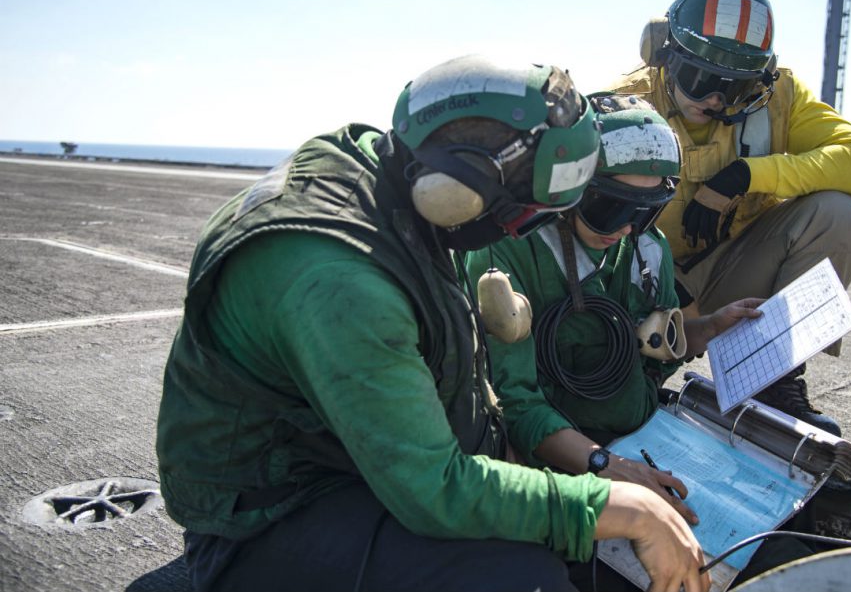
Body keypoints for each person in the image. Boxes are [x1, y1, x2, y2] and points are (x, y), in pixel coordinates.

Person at [155, 55, 710, 592]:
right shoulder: (340, 282)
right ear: (454, 191)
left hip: (345, 459)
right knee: (526, 581)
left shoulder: (382, 168)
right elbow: (435, 490)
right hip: (271, 516)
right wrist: (620, 508)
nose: (518, 232)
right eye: (521, 213)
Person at [606, 0, 851, 437]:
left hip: (730, 274)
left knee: (838, 215)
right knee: (611, 406)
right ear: (663, 54)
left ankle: (770, 380)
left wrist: (747, 175)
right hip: (642, 290)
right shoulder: (625, 105)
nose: (714, 100)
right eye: (700, 79)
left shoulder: (777, 99)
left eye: (733, 88)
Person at [466, 95, 763, 519]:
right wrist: (607, 467)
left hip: (642, 440)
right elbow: (515, 401)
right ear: (569, 186)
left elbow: (651, 351)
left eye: (645, 212)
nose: (626, 227)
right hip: (561, 456)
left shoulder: (646, 248)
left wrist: (709, 327)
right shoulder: (508, 253)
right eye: (611, 207)